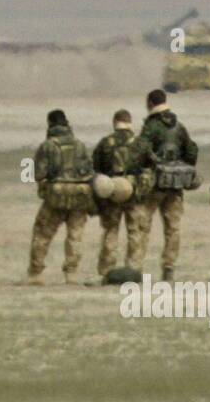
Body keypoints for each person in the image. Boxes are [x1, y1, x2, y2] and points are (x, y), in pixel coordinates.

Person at [26, 110, 94, 285]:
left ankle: (36, 273)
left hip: (55, 197)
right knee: (75, 236)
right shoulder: (79, 145)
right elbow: (89, 171)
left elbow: (39, 173)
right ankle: (71, 274)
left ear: (50, 124)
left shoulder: (47, 146)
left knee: (42, 234)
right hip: (80, 196)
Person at [139, 89, 197, 281]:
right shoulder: (179, 126)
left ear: (150, 103)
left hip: (154, 184)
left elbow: (141, 151)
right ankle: (169, 267)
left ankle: (136, 266)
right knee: (173, 228)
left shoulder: (151, 126)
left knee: (142, 225)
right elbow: (191, 152)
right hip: (175, 184)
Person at [91, 109, 156, 281]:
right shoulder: (141, 143)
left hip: (112, 193)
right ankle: (134, 269)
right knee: (135, 232)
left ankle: (106, 271)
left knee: (110, 231)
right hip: (135, 195)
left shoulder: (105, 143)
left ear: (115, 122)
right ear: (130, 122)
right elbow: (152, 165)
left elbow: (96, 168)